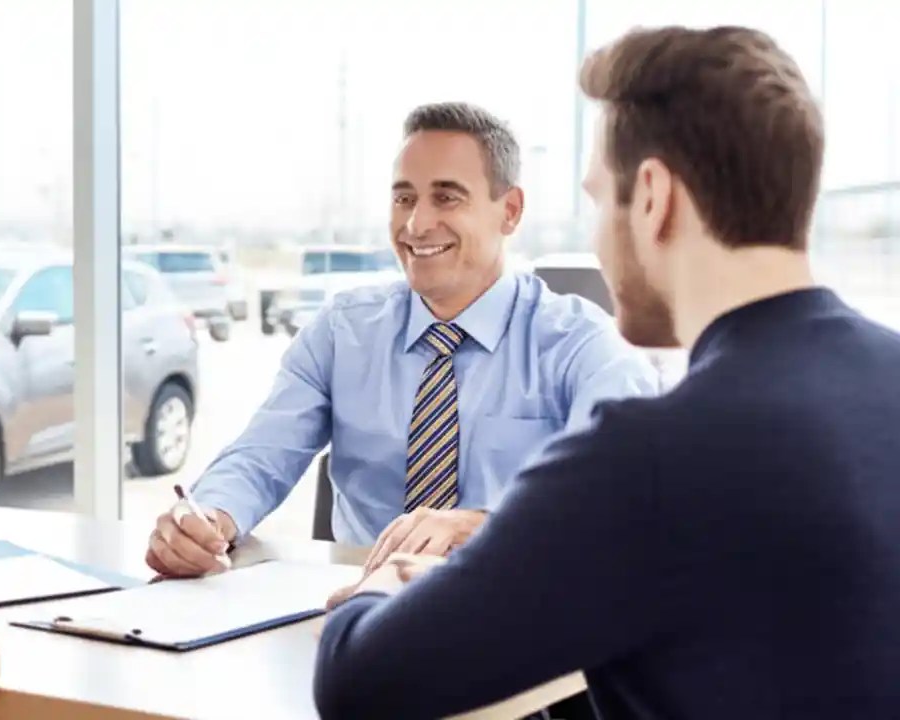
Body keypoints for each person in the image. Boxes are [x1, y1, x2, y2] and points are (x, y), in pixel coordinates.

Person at [314, 25, 900, 720]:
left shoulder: (651, 457)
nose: (596, 235)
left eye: (598, 200)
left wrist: (387, 580)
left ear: (652, 197)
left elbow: (362, 684)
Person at [146, 102, 657, 578]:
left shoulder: (582, 346)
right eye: (404, 197)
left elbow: (627, 501)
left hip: (519, 608)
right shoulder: (343, 330)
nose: (416, 223)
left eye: (446, 197)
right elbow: (261, 456)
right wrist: (209, 516)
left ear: (511, 211)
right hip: (357, 615)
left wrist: (485, 526)